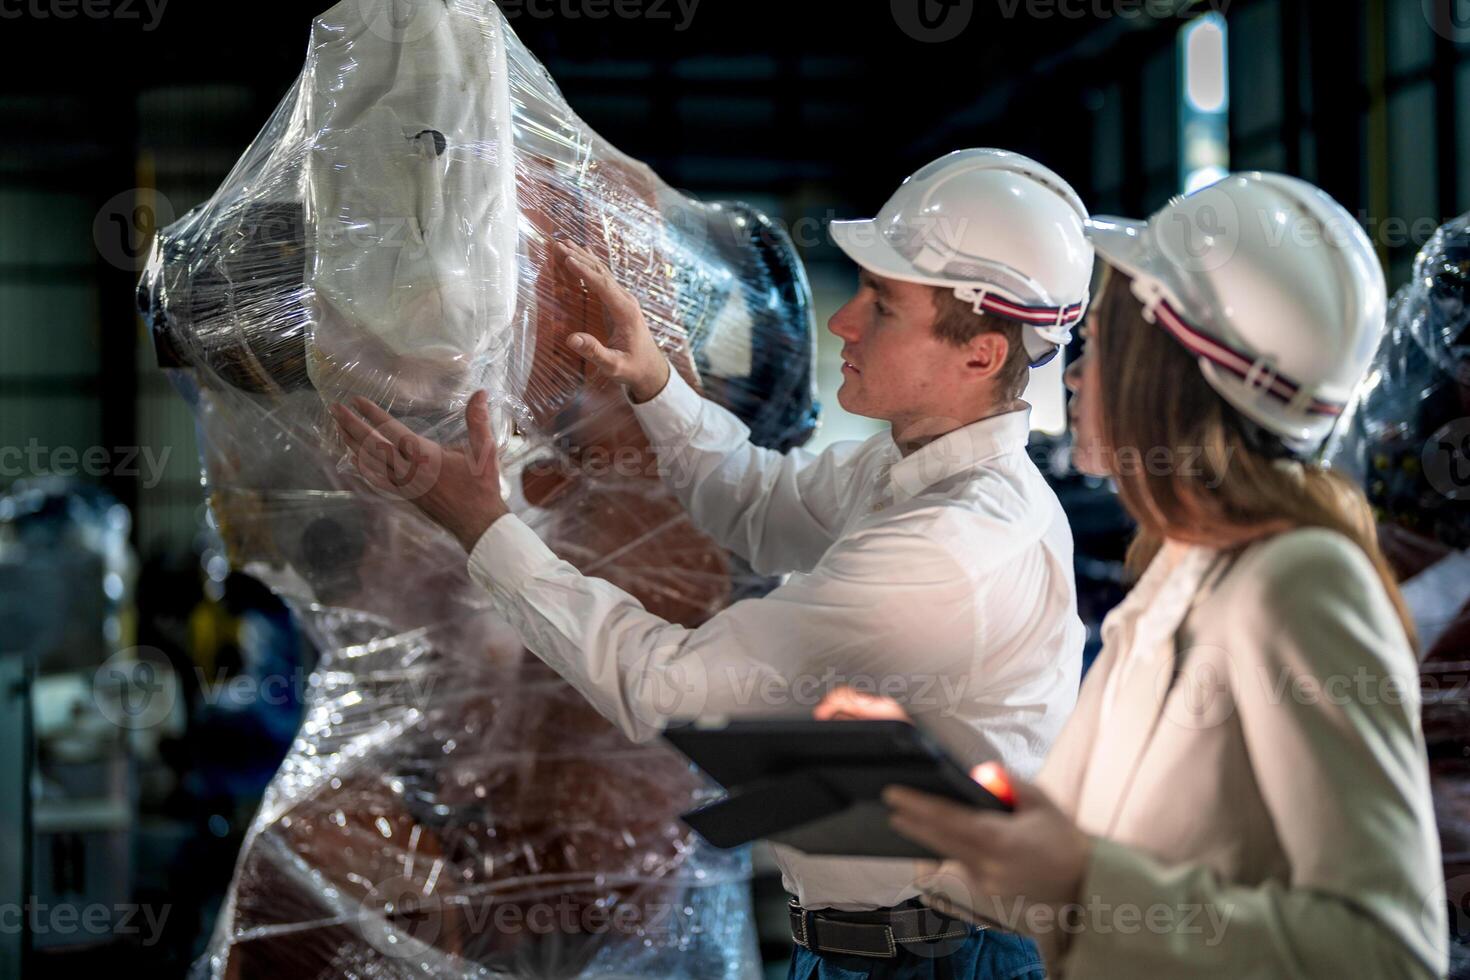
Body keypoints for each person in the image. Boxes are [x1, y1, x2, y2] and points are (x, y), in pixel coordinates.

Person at [330, 148, 1092, 978]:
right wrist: (657, 382)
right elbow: (758, 505)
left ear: (980, 353)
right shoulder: (903, 475)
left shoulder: (952, 551)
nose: (844, 323)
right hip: (863, 946)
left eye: (882, 306)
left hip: (935, 960)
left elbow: (667, 685)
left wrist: (484, 528)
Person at [879, 172, 1449, 979]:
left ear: (1174, 365)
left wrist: (1081, 883)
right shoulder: (1178, 571)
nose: (1074, 374)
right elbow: (1060, 856)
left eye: (1099, 341)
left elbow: (1388, 952)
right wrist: (894, 780)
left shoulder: (1300, 582)